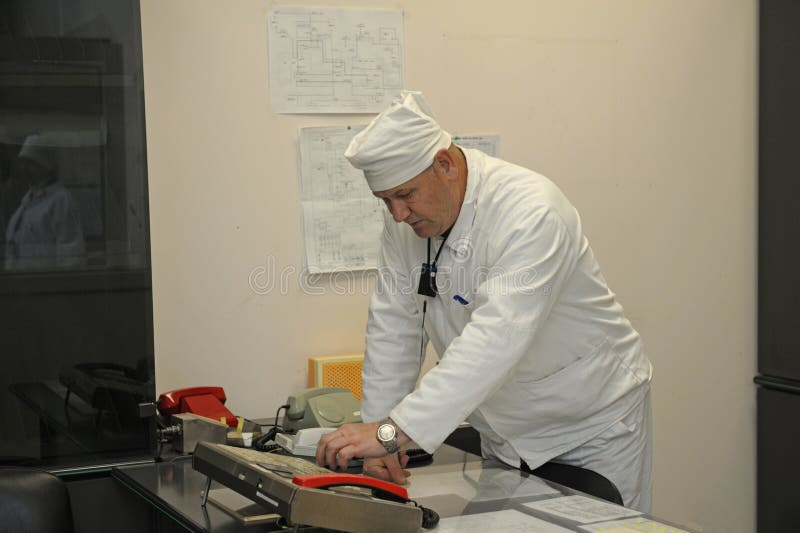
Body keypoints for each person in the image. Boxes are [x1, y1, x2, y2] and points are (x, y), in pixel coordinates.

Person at [315, 91, 653, 511]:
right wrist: (380, 436)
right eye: (385, 201)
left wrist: (393, 431)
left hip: (588, 427)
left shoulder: (531, 212)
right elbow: (394, 327)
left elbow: (497, 337)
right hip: (504, 430)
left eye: (405, 194)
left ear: (446, 164)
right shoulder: (405, 223)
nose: (398, 214)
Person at [4, 133, 86, 271]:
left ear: (46, 165)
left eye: (31, 164)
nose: (25, 169)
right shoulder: (27, 201)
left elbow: (71, 257)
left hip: (44, 286)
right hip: (20, 285)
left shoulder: (61, 200)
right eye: (23, 163)